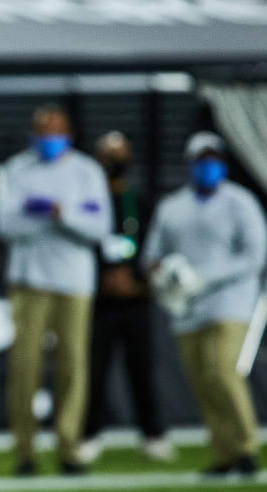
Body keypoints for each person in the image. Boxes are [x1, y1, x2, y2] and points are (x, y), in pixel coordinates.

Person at [0, 104, 111, 476]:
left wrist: (62, 214)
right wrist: (51, 216)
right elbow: (4, 225)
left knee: (73, 366)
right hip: (29, 281)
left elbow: (100, 228)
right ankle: (25, 450)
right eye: (42, 133)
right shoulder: (17, 169)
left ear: (70, 135)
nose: (48, 139)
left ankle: (70, 447)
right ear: (32, 135)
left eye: (55, 132)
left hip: (74, 282)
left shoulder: (86, 172)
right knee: (25, 367)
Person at [143, 131, 267, 479]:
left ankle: (247, 446)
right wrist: (164, 273)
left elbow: (255, 256)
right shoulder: (172, 207)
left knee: (223, 371)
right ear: (190, 164)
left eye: (213, 159)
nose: (207, 166)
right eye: (202, 160)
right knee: (201, 381)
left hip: (230, 302)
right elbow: (151, 255)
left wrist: (205, 276)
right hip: (186, 308)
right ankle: (223, 452)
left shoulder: (240, 203)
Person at [78, 131, 173, 465]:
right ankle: (89, 433)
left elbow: (155, 247)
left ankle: (153, 433)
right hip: (99, 299)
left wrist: (138, 279)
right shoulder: (89, 199)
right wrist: (101, 277)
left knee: (142, 367)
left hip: (135, 297)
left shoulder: (142, 201)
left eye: (119, 154)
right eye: (108, 154)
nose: (114, 162)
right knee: (94, 369)